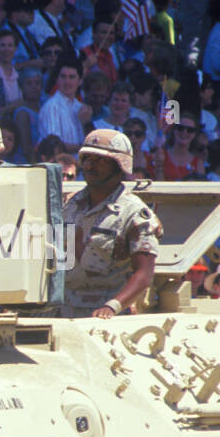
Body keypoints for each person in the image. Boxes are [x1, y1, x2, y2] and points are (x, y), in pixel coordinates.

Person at [62, 129, 161, 319]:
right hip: (63, 311)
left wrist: (113, 306)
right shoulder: (69, 205)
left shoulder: (135, 214)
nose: (90, 166)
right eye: (87, 159)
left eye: (100, 161)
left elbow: (144, 274)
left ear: (120, 165)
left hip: (106, 317)